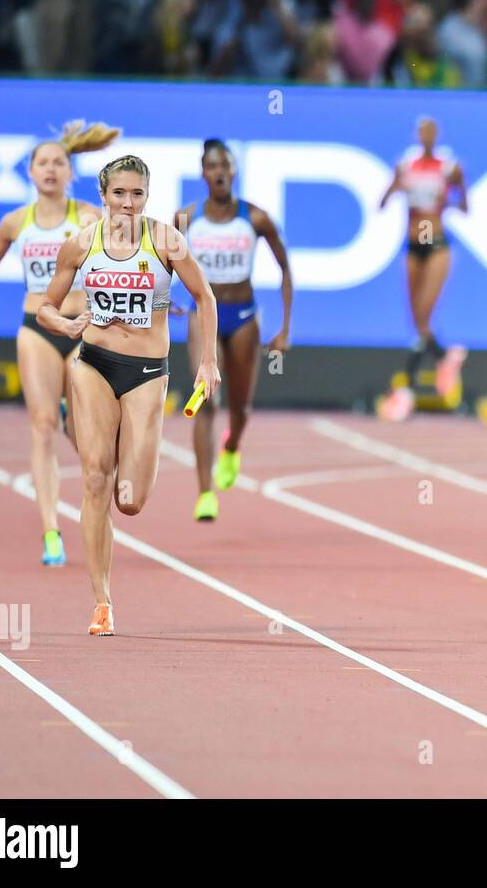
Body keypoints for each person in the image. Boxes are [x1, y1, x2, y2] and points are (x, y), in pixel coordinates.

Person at [39, 155, 220, 635]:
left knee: (131, 500)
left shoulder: (166, 242)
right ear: (103, 196)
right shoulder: (81, 244)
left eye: (136, 194)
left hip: (146, 373)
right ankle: (102, 602)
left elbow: (205, 297)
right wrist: (64, 322)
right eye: (118, 193)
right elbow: (45, 308)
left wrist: (207, 362)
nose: (127, 203)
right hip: (94, 364)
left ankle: (126, 447)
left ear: (146, 197)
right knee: (96, 480)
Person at [0, 120, 119, 566]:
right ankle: (51, 531)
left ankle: (92, 450)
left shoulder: (86, 216)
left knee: (87, 432)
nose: (50, 169)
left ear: (70, 173)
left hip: (82, 327)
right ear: (31, 173)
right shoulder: (17, 222)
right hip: (37, 327)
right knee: (42, 425)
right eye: (42, 163)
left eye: (58, 163)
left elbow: (120, 247)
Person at [174, 138, 292, 521]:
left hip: (242, 317)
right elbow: (159, 268)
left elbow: (285, 270)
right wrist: (163, 303)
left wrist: (285, 328)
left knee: (240, 407)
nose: (219, 172)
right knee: (205, 399)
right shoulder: (185, 220)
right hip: (201, 315)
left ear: (234, 172)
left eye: (225, 165)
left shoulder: (255, 218)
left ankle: (233, 445)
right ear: (203, 172)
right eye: (212, 166)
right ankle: (205, 493)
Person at [378, 117, 468, 419]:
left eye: (431, 131)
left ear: (437, 135)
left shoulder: (448, 165)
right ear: (417, 135)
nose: (427, 135)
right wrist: (394, 188)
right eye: (422, 131)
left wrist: (453, 197)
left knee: (426, 313)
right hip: (412, 244)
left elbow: (465, 205)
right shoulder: (407, 164)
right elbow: (384, 199)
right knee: (417, 321)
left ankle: (405, 391)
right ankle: (446, 358)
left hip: (438, 244)